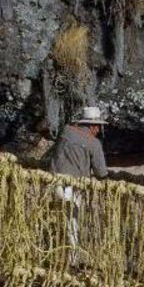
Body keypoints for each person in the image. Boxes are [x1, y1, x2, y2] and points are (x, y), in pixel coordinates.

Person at [49, 106, 109, 252]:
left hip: (53, 181)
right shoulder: (93, 143)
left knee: (56, 218)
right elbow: (101, 172)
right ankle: (72, 257)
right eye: (99, 127)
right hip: (71, 186)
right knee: (71, 221)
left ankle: (54, 250)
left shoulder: (66, 130)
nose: (99, 130)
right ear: (93, 126)